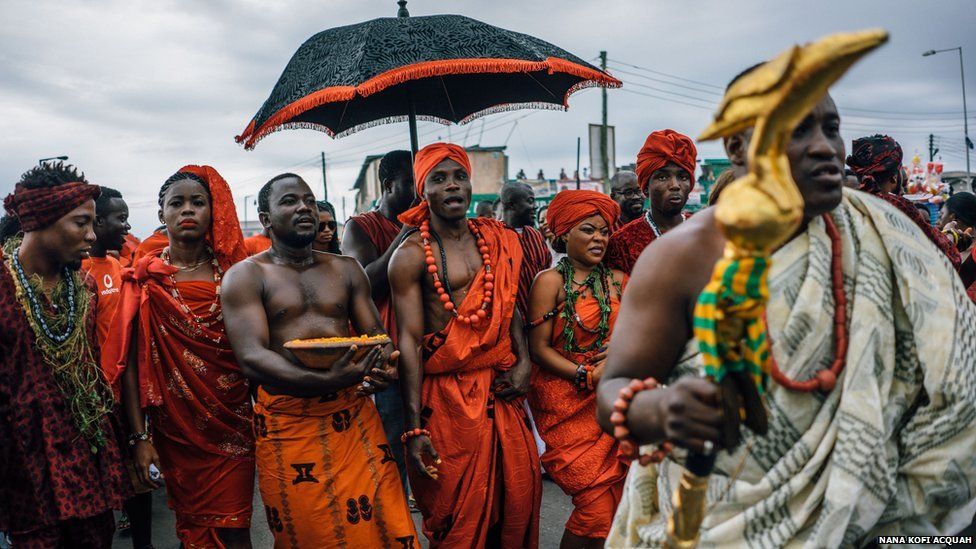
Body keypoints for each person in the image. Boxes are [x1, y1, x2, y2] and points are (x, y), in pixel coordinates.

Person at [596, 79, 976, 547]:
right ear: (737, 146)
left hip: (871, 513)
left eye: (831, 128)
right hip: (719, 519)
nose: (824, 148)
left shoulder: (885, 233)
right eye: (798, 131)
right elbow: (613, 386)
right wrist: (661, 408)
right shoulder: (684, 257)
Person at [220, 173, 419, 548]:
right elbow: (252, 357)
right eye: (290, 201)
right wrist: (328, 380)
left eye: (310, 200)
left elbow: (375, 337)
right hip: (289, 421)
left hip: (353, 415)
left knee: (384, 522)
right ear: (265, 218)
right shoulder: (245, 277)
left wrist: (382, 366)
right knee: (308, 532)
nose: (304, 208)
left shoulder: (346, 268)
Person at [389, 143, 542, 547]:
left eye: (459, 176)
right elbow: (408, 343)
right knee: (457, 520)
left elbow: (508, 305)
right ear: (423, 192)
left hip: (500, 388)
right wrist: (413, 428)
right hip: (447, 401)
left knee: (516, 504)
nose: (452, 186)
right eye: (438, 179)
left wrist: (524, 361)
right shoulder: (409, 256)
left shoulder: (498, 238)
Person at [103, 166, 255, 549]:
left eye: (198, 202)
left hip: (234, 421)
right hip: (176, 429)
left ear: (212, 211)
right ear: (161, 215)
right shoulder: (145, 280)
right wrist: (139, 437)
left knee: (236, 530)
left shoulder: (237, 274)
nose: (188, 210)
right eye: (178, 203)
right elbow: (132, 367)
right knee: (193, 530)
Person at [1, 162, 128, 547]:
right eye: (80, 223)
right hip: (22, 467)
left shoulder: (83, 286)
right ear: (41, 219)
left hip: (84, 458)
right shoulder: (4, 285)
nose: (92, 235)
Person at [526, 190, 627, 549]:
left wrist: (619, 352)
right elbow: (537, 349)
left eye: (603, 231)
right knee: (595, 505)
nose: (599, 238)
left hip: (612, 401)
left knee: (616, 505)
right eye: (588, 230)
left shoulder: (618, 280)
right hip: (564, 402)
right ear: (564, 233)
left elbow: (637, 333)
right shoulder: (549, 282)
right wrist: (583, 375)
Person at [341, 150, 417, 494]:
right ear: (388, 185)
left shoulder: (433, 223)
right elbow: (367, 283)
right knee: (393, 440)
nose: (420, 191)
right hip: (389, 351)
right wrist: (406, 231)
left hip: (427, 345)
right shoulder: (359, 227)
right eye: (411, 183)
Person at [847, 134, 960, 268]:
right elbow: (942, 257)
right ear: (894, 177)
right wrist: (950, 235)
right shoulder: (896, 206)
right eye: (901, 168)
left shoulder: (846, 203)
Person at [604, 130, 697, 274]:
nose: (675, 185)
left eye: (683, 177)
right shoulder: (622, 243)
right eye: (662, 177)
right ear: (645, 188)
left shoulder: (705, 231)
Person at [81, 186, 130, 347]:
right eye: (122, 219)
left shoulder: (116, 265)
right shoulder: (78, 271)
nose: (128, 226)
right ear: (99, 221)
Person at [500, 182, 552, 318]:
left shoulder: (536, 236)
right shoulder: (494, 237)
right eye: (530, 201)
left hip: (541, 317)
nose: (535, 207)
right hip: (507, 321)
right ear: (511, 205)